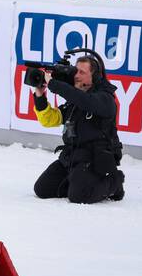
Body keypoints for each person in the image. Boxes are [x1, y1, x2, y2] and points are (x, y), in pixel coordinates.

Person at [31, 52, 125, 205]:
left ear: (94, 76)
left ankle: (115, 182)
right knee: (42, 189)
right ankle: (77, 182)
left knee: (79, 197)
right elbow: (51, 119)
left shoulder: (105, 98)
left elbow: (86, 101)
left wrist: (54, 84)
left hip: (94, 158)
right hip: (72, 156)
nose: (76, 75)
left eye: (82, 72)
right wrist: (40, 97)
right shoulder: (76, 98)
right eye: (76, 71)